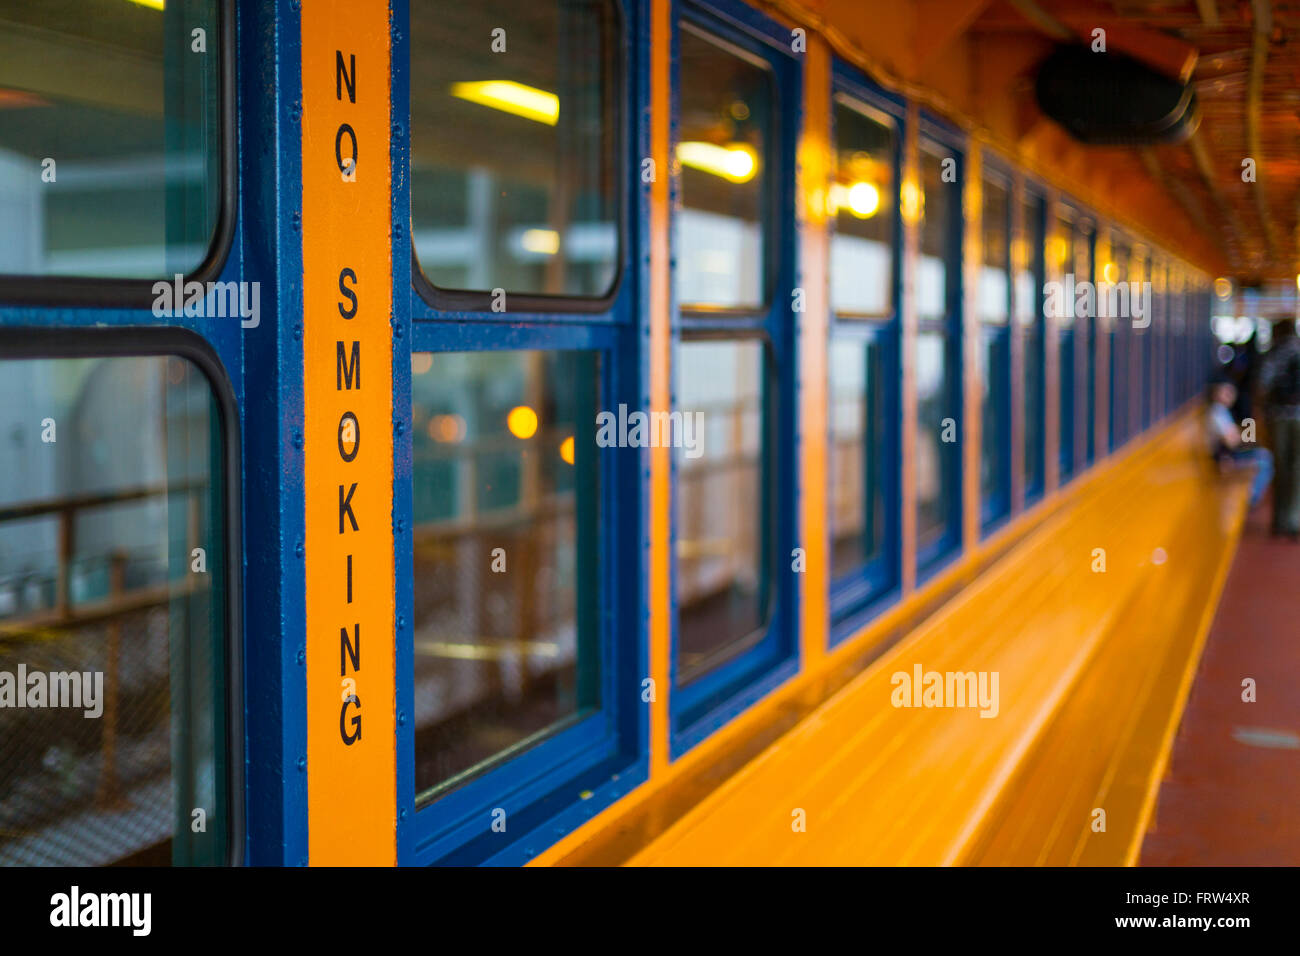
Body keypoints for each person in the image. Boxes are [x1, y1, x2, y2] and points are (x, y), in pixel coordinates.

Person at [1257, 319, 1300, 538]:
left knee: (1281, 466)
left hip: (1280, 416)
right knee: (1297, 469)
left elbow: (1263, 382)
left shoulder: (1275, 352)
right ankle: (1295, 519)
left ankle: (1281, 520)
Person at [1205, 381, 1272, 511]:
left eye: (1231, 393)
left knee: (1263, 455)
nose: (1230, 396)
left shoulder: (1223, 411)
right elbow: (1231, 442)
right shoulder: (1217, 413)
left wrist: (1241, 438)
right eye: (1225, 393)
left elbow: (1234, 436)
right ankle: (1251, 499)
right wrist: (1242, 438)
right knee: (1263, 459)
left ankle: (1252, 496)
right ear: (1216, 394)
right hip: (1223, 458)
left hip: (1228, 454)